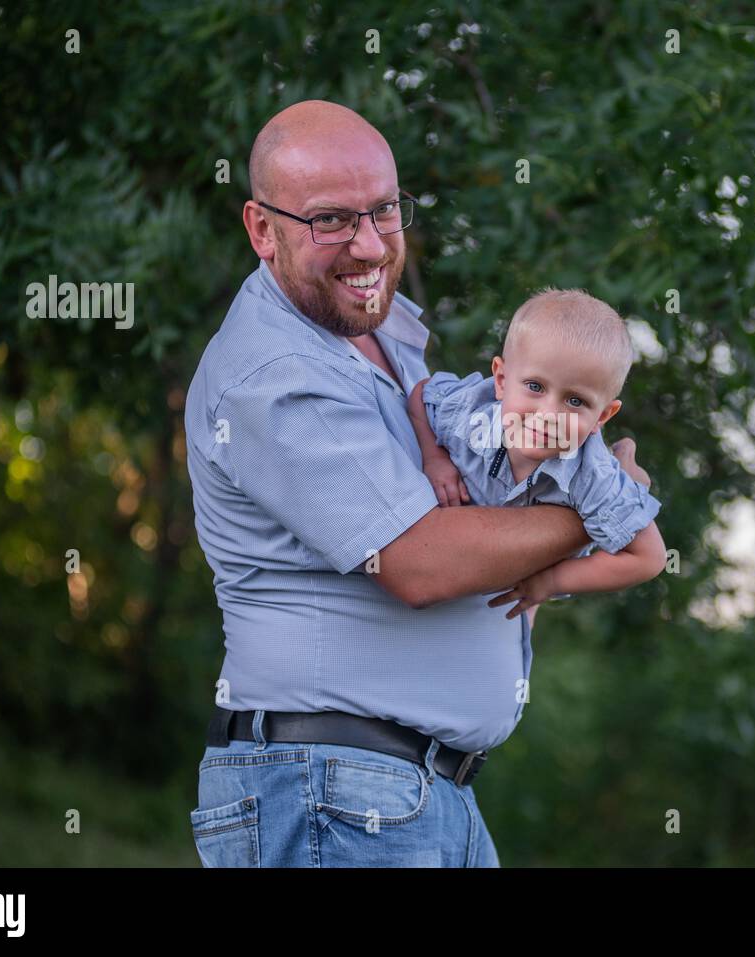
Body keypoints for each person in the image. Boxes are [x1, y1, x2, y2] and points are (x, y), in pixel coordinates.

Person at [183, 100, 654, 867]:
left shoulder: (379, 334)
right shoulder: (274, 374)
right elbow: (418, 563)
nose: (368, 244)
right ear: (262, 230)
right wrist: (605, 505)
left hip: (413, 792)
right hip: (332, 794)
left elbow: (479, 497)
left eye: (385, 211)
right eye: (331, 219)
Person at [407, 287, 667, 623]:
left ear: (601, 416)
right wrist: (435, 459)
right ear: (501, 379)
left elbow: (649, 558)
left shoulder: (591, 476)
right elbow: (420, 395)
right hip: (471, 552)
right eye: (535, 386)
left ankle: (622, 460)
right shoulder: (471, 414)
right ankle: (624, 455)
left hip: (527, 562)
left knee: (518, 617)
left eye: (575, 401)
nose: (548, 414)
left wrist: (553, 581)